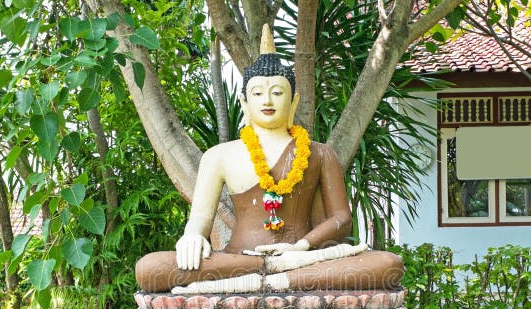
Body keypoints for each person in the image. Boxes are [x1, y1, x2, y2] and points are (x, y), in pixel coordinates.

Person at [135, 26, 403, 294]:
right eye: (258, 93)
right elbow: (200, 219)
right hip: (239, 259)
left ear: (293, 102)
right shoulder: (219, 156)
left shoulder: (319, 153)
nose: (268, 100)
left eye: (277, 92)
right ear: (244, 102)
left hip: (301, 261)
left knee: (388, 265)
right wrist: (192, 236)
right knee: (150, 269)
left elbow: (342, 219)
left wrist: (301, 248)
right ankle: (267, 274)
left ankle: (274, 279)